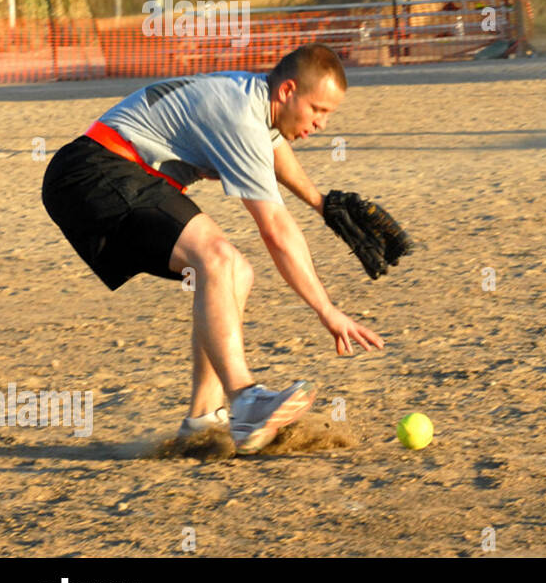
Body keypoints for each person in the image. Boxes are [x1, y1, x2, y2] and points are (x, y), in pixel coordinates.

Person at [40, 44, 385, 454]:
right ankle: (245, 398)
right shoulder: (240, 116)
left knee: (235, 274)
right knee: (219, 259)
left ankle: (204, 418)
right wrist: (326, 310)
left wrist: (320, 202)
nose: (323, 124)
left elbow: (274, 148)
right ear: (288, 91)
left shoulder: (256, 96)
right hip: (94, 173)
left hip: (120, 173)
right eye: (318, 110)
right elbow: (275, 230)